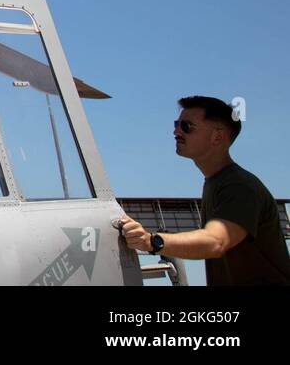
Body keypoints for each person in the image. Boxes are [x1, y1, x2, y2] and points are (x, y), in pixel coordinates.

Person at [117, 96, 290, 286]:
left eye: (186, 126)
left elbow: (216, 241)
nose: (176, 131)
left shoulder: (239, 186)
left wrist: (151, 242)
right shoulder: (217, 182)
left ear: (217, 137)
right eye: (177, 124)